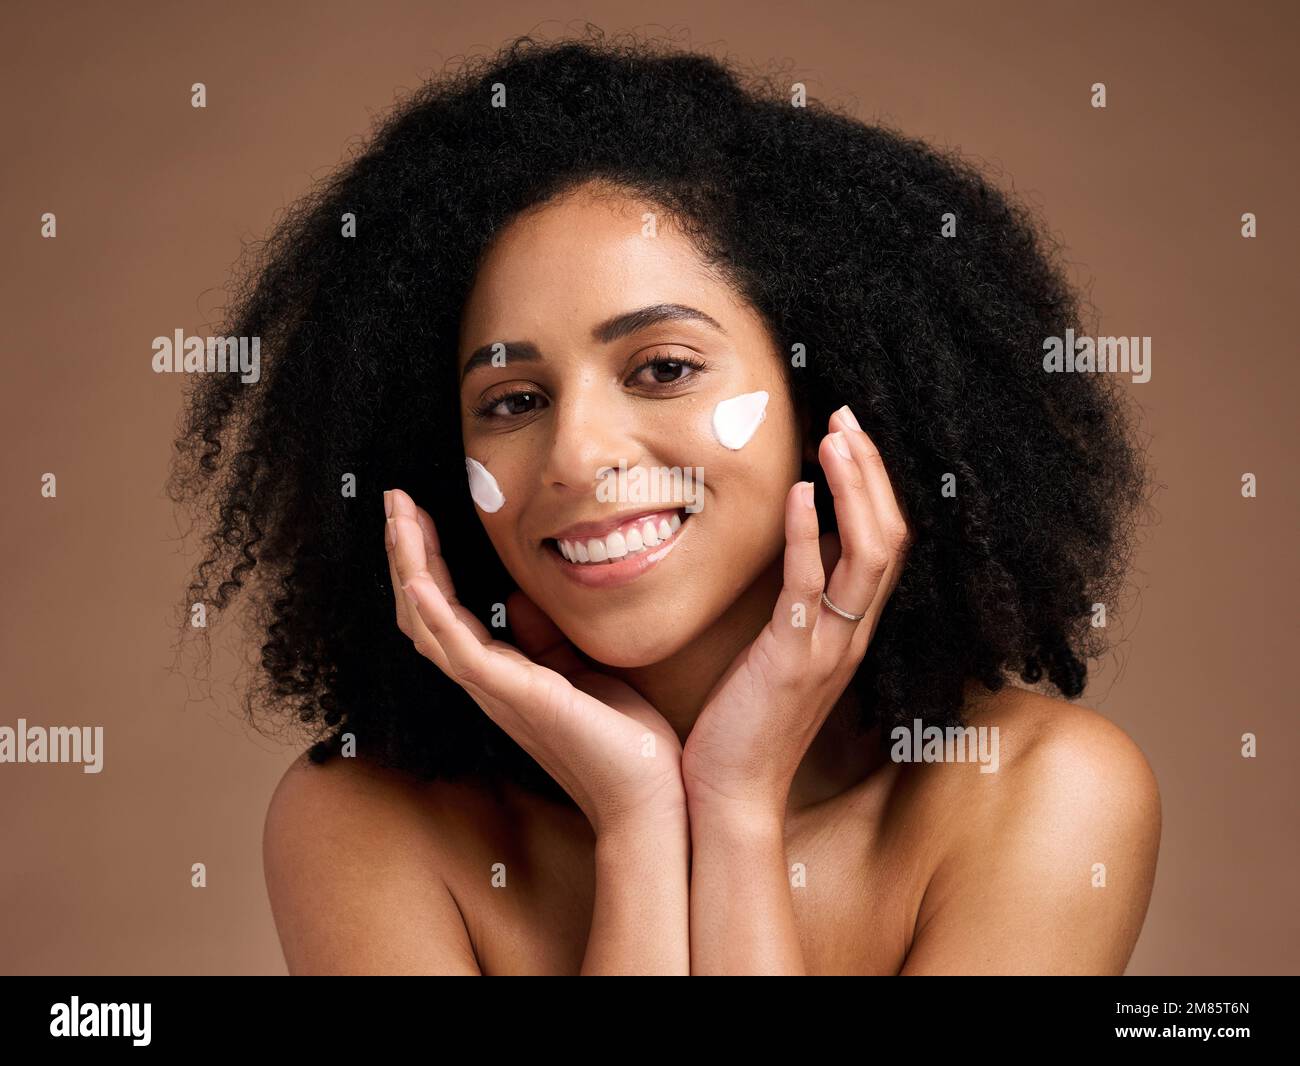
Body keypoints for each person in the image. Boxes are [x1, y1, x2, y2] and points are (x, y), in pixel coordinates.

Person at [170, 30, 1160, 974]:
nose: (575, 454)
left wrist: (732, 807)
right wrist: (639, 824)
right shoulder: (364, 822)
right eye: (511, 400)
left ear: (827, 394)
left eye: (662, 367)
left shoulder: (1042, 796)